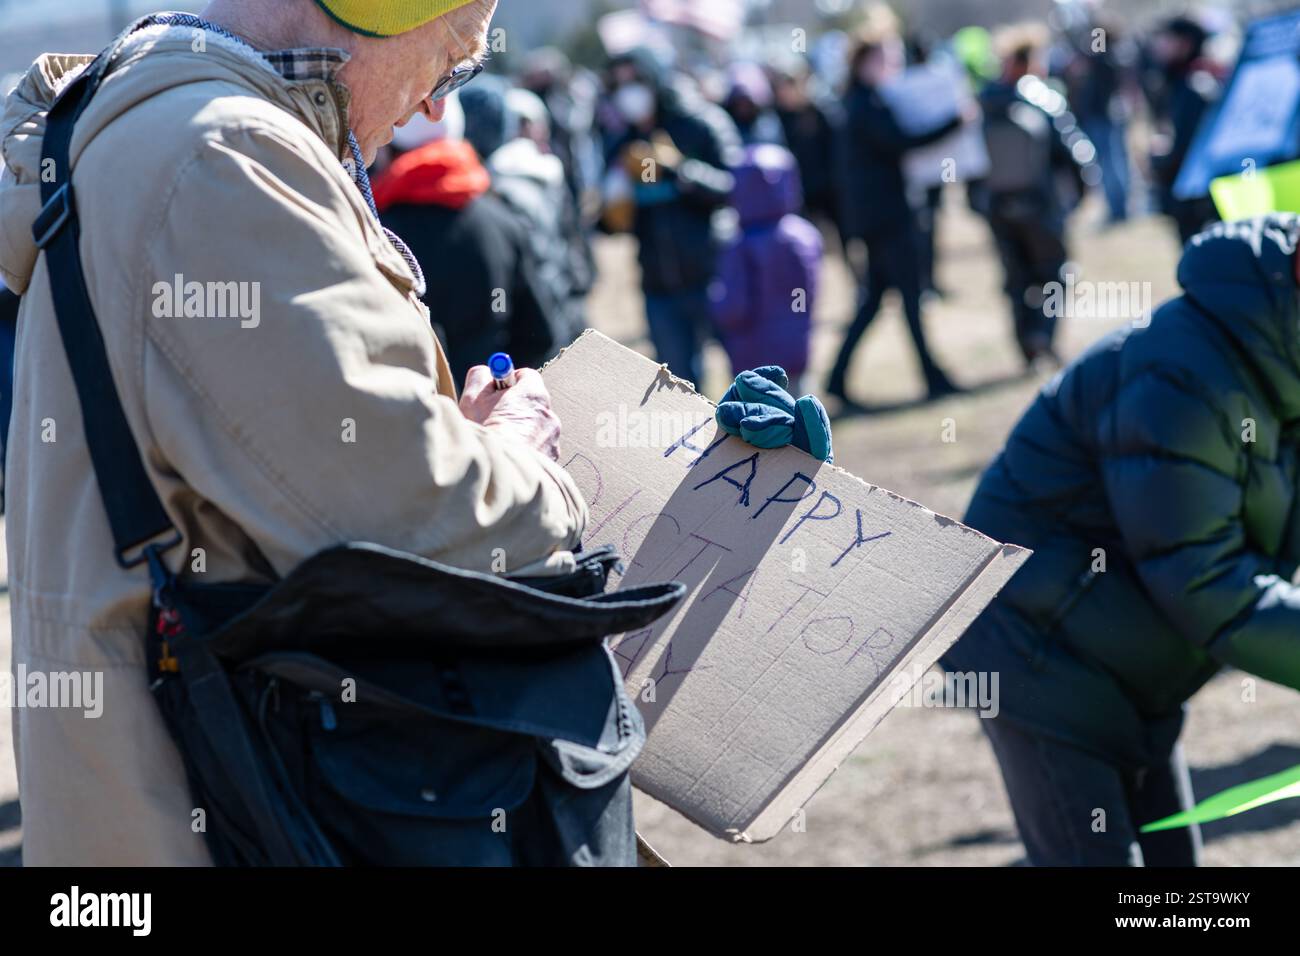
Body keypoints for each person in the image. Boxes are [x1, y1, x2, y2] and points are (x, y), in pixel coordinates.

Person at [0, 0, 611, 865]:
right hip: (220, 816)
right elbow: (399, 518)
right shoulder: (221, 153)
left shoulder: (167, 129)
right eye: (453, 56)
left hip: (168, 800)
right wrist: (517, 460)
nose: (439, 104)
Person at [943, 214, 1300, 866]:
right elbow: (1207, 583)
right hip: (1040, 657)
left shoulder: (1278, 364)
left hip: (1134, 668)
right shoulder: (1186, 378)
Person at [827, 6, 967, 406]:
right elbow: (903, 140)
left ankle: (838, 380)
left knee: (875, 300)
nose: (894, 64)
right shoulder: (865, 104)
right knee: (908, 295)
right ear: (867, 62)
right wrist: (955, 122)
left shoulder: (862, 101)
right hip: (886, 217)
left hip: (879, 217)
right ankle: (932, 375)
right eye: (887, 57)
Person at [374, 95, 566, 383]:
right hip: (489, 410)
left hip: (405, 415)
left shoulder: (371, 231)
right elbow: (539, 335)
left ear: (387, 147)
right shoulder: (501, 221)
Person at [601, 46, 741, 387]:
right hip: (659, 286)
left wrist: (681, 168)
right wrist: (610, 210)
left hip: (713, 273)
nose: (628, 92)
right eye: (619, 86)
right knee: (682, 393)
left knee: (749, 376)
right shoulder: (622, 143)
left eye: (635, 81)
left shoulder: (699, 123)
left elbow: (734, 186)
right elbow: (611, 223)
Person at [974, 24, 1095, 365]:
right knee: (1054, 272)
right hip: (1040, 205)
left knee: (1016, 277)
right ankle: (1042, 334)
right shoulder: (1043, 98)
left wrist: (978, 204)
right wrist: (1081, 193)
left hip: (998, 206)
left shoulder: (982, 102)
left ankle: (1024, 342)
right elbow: (1075, 152)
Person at [710, 144, 822, 390]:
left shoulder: (740, 245)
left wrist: (716, 302)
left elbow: (734, 308)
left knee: (763, 423)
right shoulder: (805, 234)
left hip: (753, 358)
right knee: (802, 418)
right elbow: (803, 298)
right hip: (796, 351)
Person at [1146, 15, 1221, 244]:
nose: (1160, 46)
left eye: (1167, 39)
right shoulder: (1180, 81)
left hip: (1197, 202)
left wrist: (1161, 158)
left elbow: (1188, 149)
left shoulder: (1194, 87)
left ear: (1185, 44)